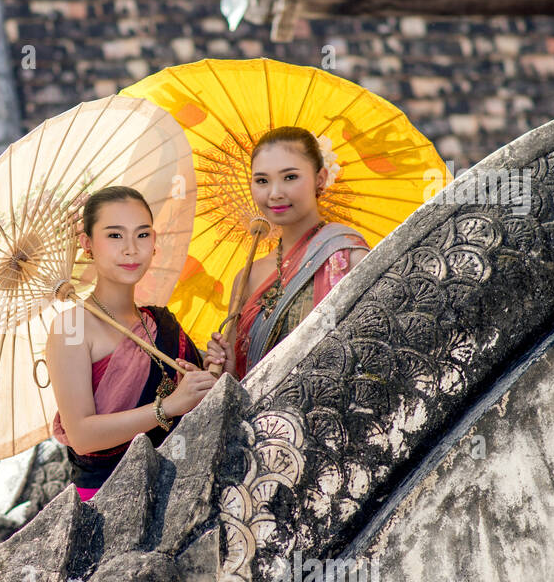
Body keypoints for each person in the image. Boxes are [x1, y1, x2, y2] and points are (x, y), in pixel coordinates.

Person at [46, 186, 230, 500]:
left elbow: (196, 409)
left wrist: (212, 370)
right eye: (115, 236)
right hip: (106, 499)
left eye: (142, 235)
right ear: (87, 244)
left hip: (178, 485)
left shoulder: (161, 323)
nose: (131, 249)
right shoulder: (72, 327)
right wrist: (168, 406)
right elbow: (82, 435)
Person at [228, 126, 371, 378]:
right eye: (262, 181)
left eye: (290, 177)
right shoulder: (247, 277)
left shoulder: (348, 258)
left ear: (320, 179)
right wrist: (223, 364)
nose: (275, 193)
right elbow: (238, 379)